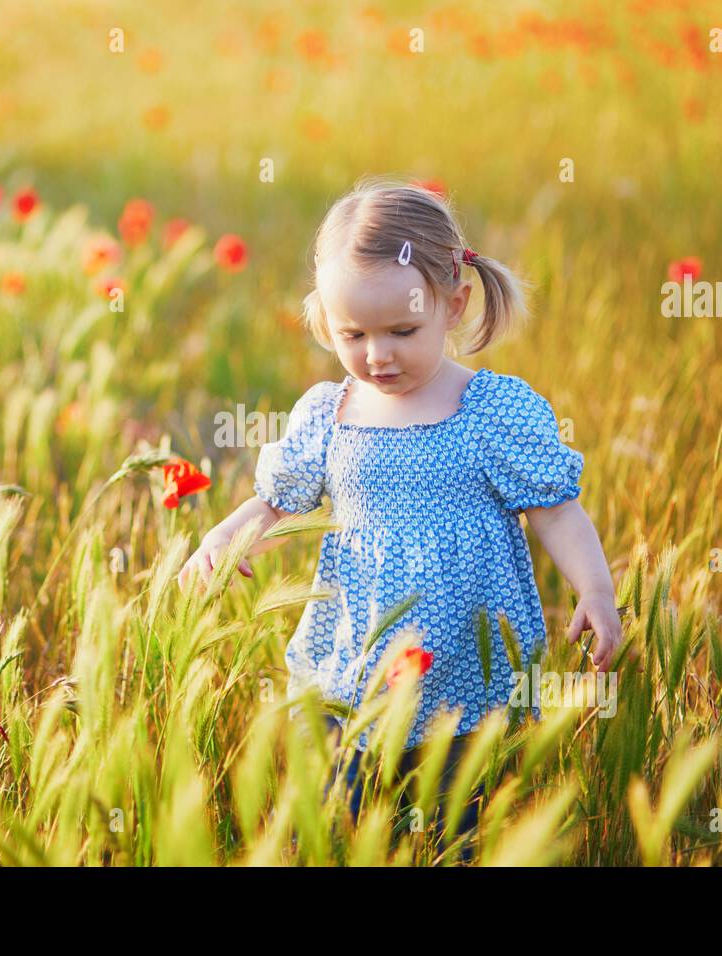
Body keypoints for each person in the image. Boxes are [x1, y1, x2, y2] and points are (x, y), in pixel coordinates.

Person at [178, 176, 624, 861]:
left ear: (455, 304)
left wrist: (594, 589)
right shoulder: (328, 415)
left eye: (402, 331)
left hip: (467, 674)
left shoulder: (491, 411)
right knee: (344, 818)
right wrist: (222, 538)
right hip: (355, 664)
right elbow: (275, 500)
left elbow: (557, 512)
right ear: (326, 322)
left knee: (459, 830)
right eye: (352, 334)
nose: (377, 355)